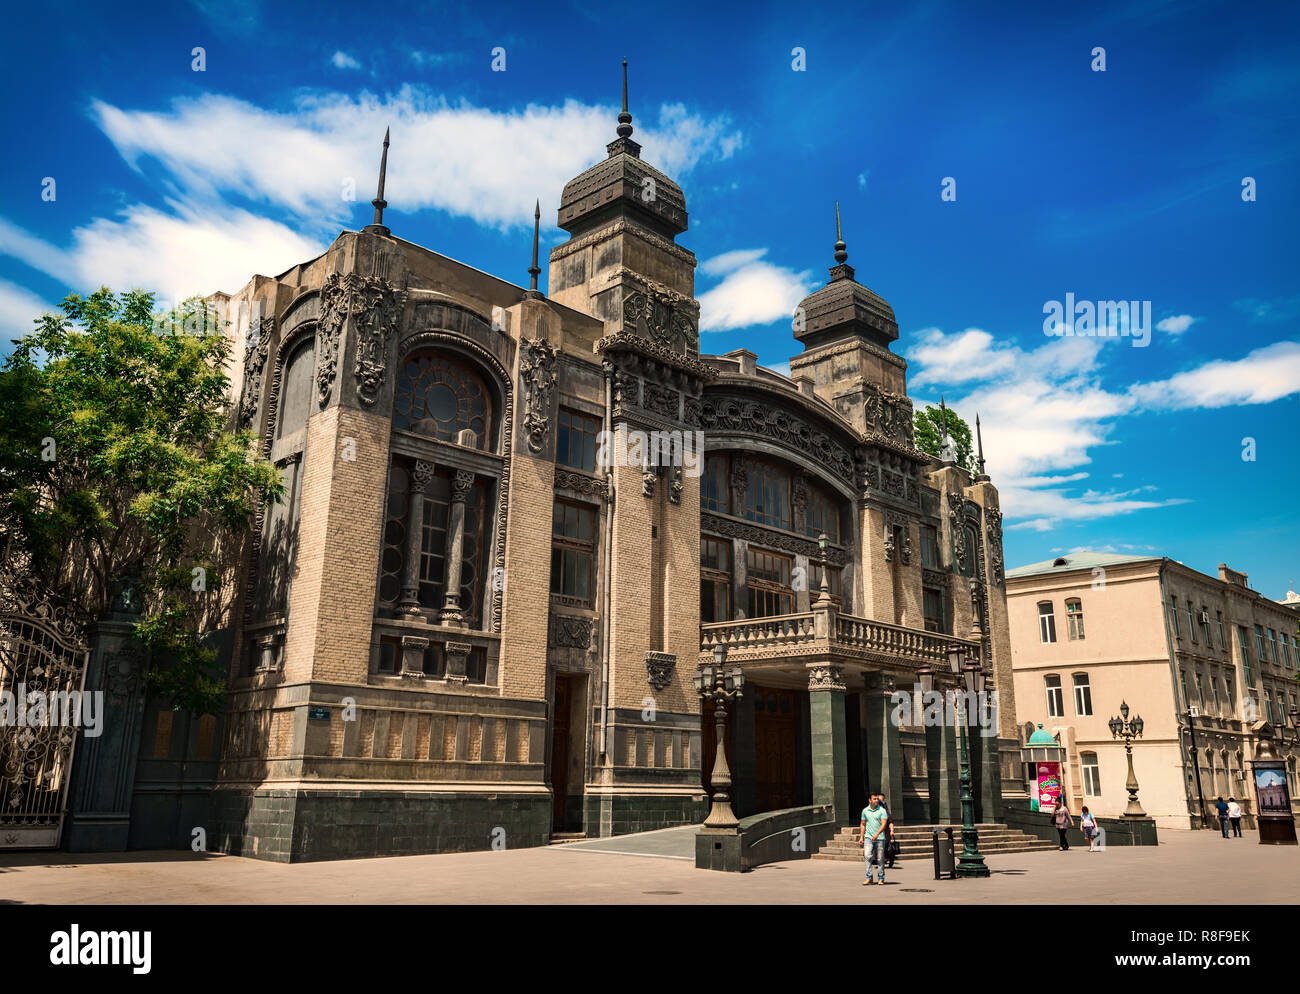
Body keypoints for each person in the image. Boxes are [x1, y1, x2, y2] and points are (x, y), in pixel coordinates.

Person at [858, 793, 889, 886]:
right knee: (867, 856)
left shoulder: (882, 810)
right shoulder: (865, 811)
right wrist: (861, 837)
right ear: (869, 800)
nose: (876, 800)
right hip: (868, 838)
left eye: (877, 799)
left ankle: (881, 878)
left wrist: (877, 834)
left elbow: (884, 824)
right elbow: (863, 824)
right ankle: (869, 877)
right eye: (874, 799)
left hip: (880, 838)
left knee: (880, 859)